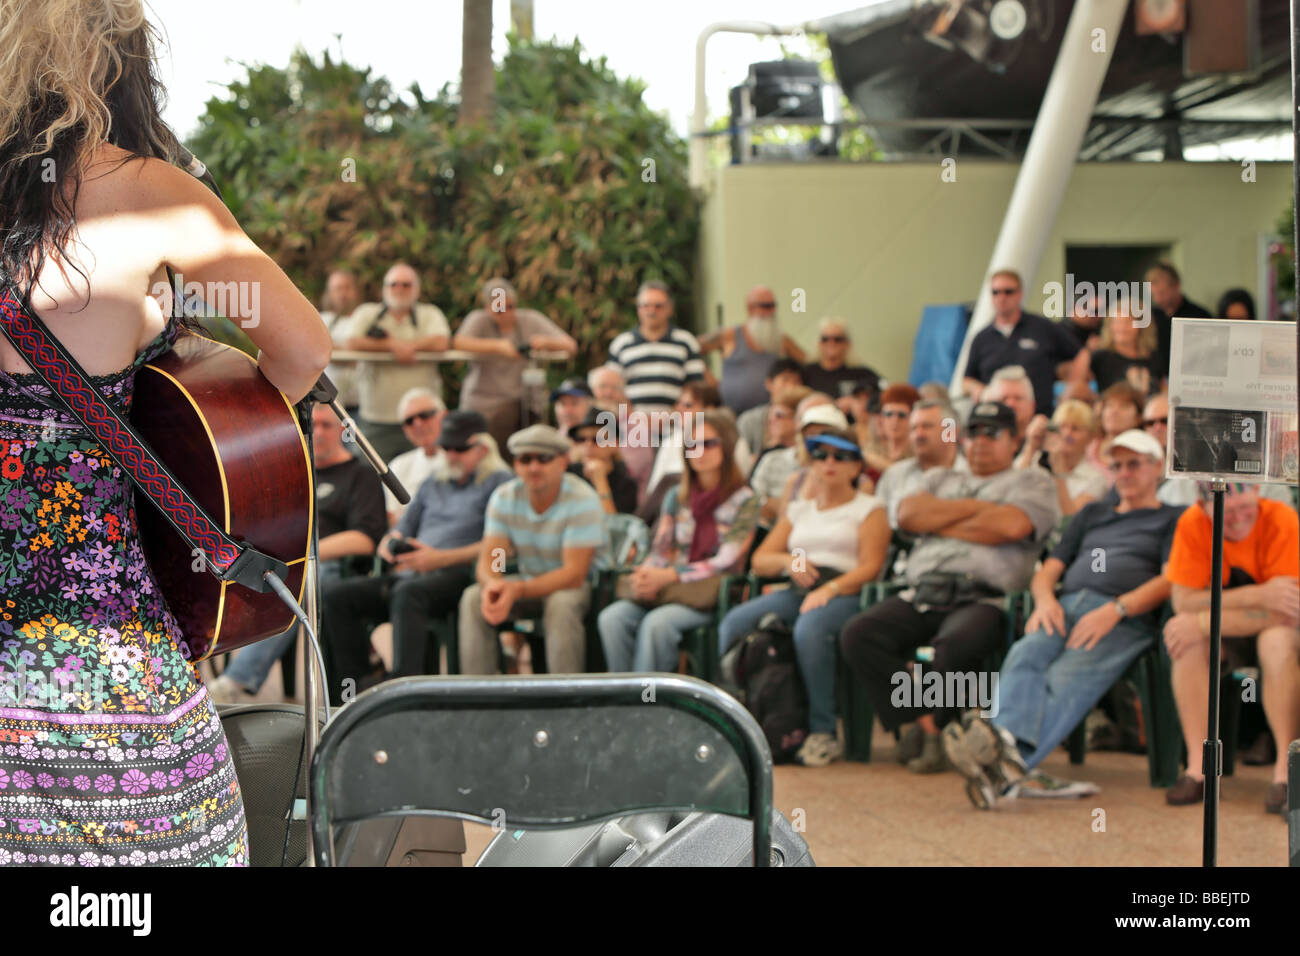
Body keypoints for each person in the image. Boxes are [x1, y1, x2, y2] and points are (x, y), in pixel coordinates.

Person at [0, 0, 331, 866]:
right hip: (106, 676)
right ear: (118, 63)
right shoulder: (146, 192)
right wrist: (186, 409)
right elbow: (300, 352)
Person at [943, 429, 1182, 805]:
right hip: (1064, 605)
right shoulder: (1093, 513)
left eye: (1134, 464)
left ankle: (1004, 762)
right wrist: (1044, 601)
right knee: (1026, 652)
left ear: (1157, 468)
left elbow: (1172, 578)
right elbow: (1048, 569)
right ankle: (1005, 758)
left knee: (1065, 676)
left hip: (1123, 617)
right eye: (1117, 465)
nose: (1125, 472)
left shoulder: (1172, 518)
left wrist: (1116, 609)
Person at [838, 402, 1059, 773]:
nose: (980, 442)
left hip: (985, 596)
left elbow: (1010, 527)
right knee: (859, 633)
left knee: (953, 647)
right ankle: (926, 723)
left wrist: (941, 518)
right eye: (973, 432)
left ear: (1015, 440)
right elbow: (909, 515)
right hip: (923, 591)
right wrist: (982, 512)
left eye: (992, 433)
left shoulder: (1032, 481)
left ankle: (931, 732)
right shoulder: (941, 478)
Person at [717, 428, 891, 766]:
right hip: (798, 590)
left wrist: (831, 588)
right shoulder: (799, 509)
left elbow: (871, 566)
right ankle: (734, 722)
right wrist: (790, 560)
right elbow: (761, 560)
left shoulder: (870, 508)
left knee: (809, 630)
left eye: (840, 457)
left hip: (846, 591)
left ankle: (822, 731)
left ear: (857, 467)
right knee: (736, 622)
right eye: (821, 455)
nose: (829, 463)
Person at [318, 411, 512, 697]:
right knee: (335, 596)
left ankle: (404, 689)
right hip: (411, 571)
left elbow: (501, 545)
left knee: (409, 593)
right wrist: (392, 542)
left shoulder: (500, 484)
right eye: (446, 447)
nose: (451, 455)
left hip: (460, 573)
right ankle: (352, 691)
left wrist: (441, 558)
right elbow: (401, 528)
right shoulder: (434, 482)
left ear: (483, 449)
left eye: (460, 448)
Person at [213, 405, 388, 703]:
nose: (317, 432)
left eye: (326, 426)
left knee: (294, 585)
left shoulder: (360, 475)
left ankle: (235, 681)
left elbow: (365, 540)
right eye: (312, 425)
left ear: (344, 431)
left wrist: (304, 557)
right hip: (279, 563)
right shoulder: (294, 474)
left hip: (334, 568)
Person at [1161, 483, 1299, 814]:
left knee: (1276, 641)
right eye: (1228, 511)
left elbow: (1286, 610)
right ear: (1204, 505)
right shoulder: (1192, 523)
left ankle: (1285, 771)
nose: (1237, 519)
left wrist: (1204, 621)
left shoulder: (1282, 518)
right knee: (1186, 642)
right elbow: (1182, 601)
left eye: (1244, 507)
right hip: (1233, 628)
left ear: (1257, 492)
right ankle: (1200, 769)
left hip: (1282, 630)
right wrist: (1257, 595)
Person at [599, 412, 758, 672]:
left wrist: (672, 575)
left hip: (709, 594)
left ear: (727, 448)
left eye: (709, 444)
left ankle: (648, 703)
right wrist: (647, 575)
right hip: (667, 588)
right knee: (612, 618)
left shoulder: (745, 500)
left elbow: (726, 559)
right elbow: (661, 548)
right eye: (693, 444)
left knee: (657, 625)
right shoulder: (676, 494)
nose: (700, 451)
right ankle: (623, 700)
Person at [458, 425, 606, 674]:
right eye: (526, 459)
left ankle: (565, 696)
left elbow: (574, 573)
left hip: (579, 586)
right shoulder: (504, 497)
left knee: (561, 604)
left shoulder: (582, 498)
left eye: (544, 459)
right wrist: (494, 583)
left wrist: (517, 589)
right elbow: (496, 554)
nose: (534, 467)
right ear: (515, 465)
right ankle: (479, 695)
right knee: (474, 597)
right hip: (527, 582)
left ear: (563, 462)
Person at [453, 277, 578, 453]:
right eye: (499, 308)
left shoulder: (530, 319)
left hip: (520, 403)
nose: (506, 313)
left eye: (509, 306)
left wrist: (545, 342)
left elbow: (570, 346)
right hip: (482, 405)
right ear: (487, 308)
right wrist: (498, 347)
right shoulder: (478, 320)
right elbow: (458, 342)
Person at [342, 262, 451, 462]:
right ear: (384, 288)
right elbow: (350, 342)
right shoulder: (367, 313)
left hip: (423, 420)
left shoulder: (430, 313)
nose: (399, 289)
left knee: (425, 476)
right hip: (376, 420)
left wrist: (407, 347)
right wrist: (392, 346)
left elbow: (441, 342)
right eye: (393, 284)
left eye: (406, 285)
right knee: (370, 476)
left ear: (417, 289)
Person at [962, 269, 1080, 417]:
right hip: (996, 419)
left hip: (1040, 417)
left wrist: (1071, 389)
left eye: (1008, 291)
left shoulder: (1042, 327)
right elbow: (967, 380)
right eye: (995, 292)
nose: (1002, 297)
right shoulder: (981, 337)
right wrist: (979, 390)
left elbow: (1080, 354)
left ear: (1020, 294)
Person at [699, 284, 805, 415]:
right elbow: (694, 347)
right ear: (750, 308)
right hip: (731, 414)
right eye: (765, 306)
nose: (771, 311)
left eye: (773, 305)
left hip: (768, 416)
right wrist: (713, 384)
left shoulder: (781, 339)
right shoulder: (730, 335)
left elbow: (805, 360)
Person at [607, 280, 706, 413]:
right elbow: (612, 388)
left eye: (658, 306)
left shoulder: (686, 341)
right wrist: (633, 417)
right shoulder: (621, 344)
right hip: (631, 426)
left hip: (675, 425)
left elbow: (694, 387)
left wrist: (671, 416)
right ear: (638, 308)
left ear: (670, 308)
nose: (651, 311)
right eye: (645, 306)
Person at [753, 398, 848, 526]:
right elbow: (753, 504)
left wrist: (775, 503)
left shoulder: (854, 478)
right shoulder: (793, 478)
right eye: (809, 434)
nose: (814, 441)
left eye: (824, 435)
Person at [1015, 399, 1107, 516]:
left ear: (1090, 437)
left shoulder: (1096, 479)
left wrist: (1059, 471)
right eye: (1062, 427)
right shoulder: (1033, 459)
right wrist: (1031, 446)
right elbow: (1010, 491)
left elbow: (1068, 519)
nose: (1066, 434)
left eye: (1075, 429)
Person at [874, 398, 965, 512]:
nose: (918, 435)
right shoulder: (894, 475)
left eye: (927, 426)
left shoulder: (973, 475)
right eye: (913, 428)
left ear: (950, 432)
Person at [1070, 304, 1163, 399]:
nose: (1122, 328)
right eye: (1117, 322)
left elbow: (1164, 391)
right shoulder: (1101, 356)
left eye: (1127, 322)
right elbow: (1075, 385)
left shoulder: (1153, 357)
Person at [384, 388, 446, 523]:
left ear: (444, 416)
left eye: (425, 415)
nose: (418, 424)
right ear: (404, 430)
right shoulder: (398, 466)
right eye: (409, 421)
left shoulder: (464, 455)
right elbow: (392, 517)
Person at [734, 357, 805, 475]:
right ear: (769, 384)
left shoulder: (806, 417)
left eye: (797, 381)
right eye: (785, 380)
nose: (791, 386)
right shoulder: (749, 420)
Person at [567, 407, 638, 515]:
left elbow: (615, 526)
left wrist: (600, 480)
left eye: (597, 439)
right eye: (581, 439)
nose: (588, 444)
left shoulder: (626, 484)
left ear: (615, 443)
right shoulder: (568, 473)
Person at [801, 317, 880, 409]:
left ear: (847, 343)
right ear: (819, 343)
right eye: (825, 339)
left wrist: (855, 401)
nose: (831, 343)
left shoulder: (862, 373)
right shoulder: (806, 373)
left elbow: (883, 391)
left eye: (837, 339)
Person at [1146, 261, 1211, 369]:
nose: (1157, 299)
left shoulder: (1199, 316)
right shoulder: (1151, 317)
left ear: (1176, 286)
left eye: (1161, 293)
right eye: (1153, 294)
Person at [320, 268, 362, 415]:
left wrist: (334, 351)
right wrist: (352, 353)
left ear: (355, 291)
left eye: (347, 287)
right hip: (329, 408)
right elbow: (316, 350)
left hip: (360, 407)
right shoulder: (322, 319)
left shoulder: (364, 318)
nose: (343, 293)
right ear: (330, 293)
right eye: (338, 288)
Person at [862, 383, 921, 485]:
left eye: (901, 415)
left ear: (914, 418)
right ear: (881, 418)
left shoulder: (919, 452)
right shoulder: (872, 448)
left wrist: (871, 459)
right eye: (889, 414)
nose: (894, 420)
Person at [1086, 382, 1144, 475]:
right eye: (1109, 405)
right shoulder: (1088, 448)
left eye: (1124, 406)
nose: (1114, 411)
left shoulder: (1144, 452)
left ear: (1138, 417)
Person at [981, 365, 1040, 446]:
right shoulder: (980, 444)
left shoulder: (1047, 445)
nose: (1011, 404)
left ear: (1032, 406)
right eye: (1004, 399)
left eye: (1018, 398)